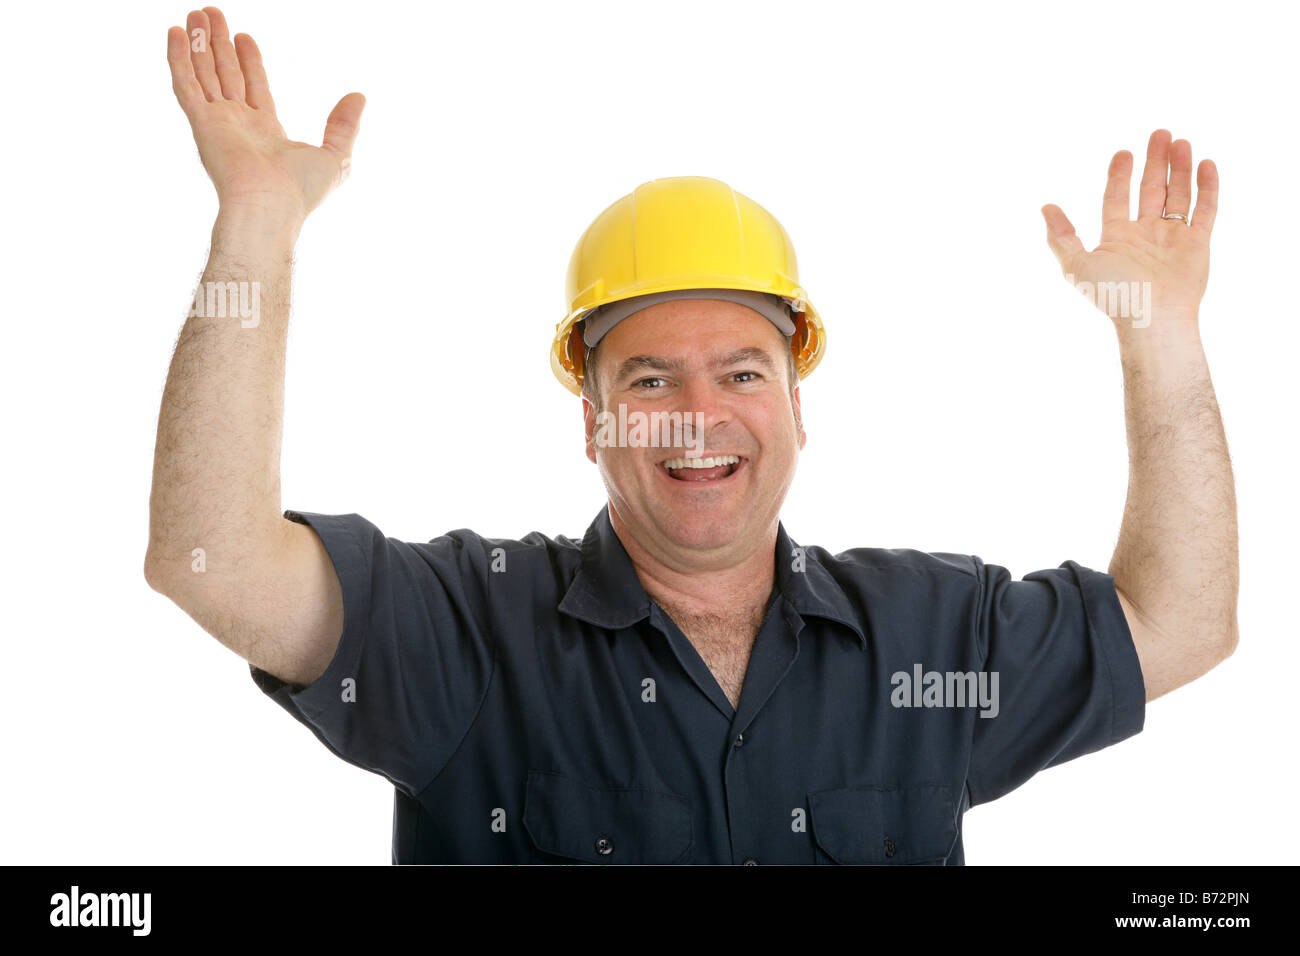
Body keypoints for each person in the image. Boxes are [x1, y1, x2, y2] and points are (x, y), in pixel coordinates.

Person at [146, 7, 1238, 864]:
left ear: (798, 407)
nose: (698, 413)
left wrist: (1161, 337)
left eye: (742, 371)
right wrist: (256, 223)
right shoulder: (469, 637)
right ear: (594, 420)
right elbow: (218, 562)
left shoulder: (929, 647)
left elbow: (1180, 623)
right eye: (652, 375)